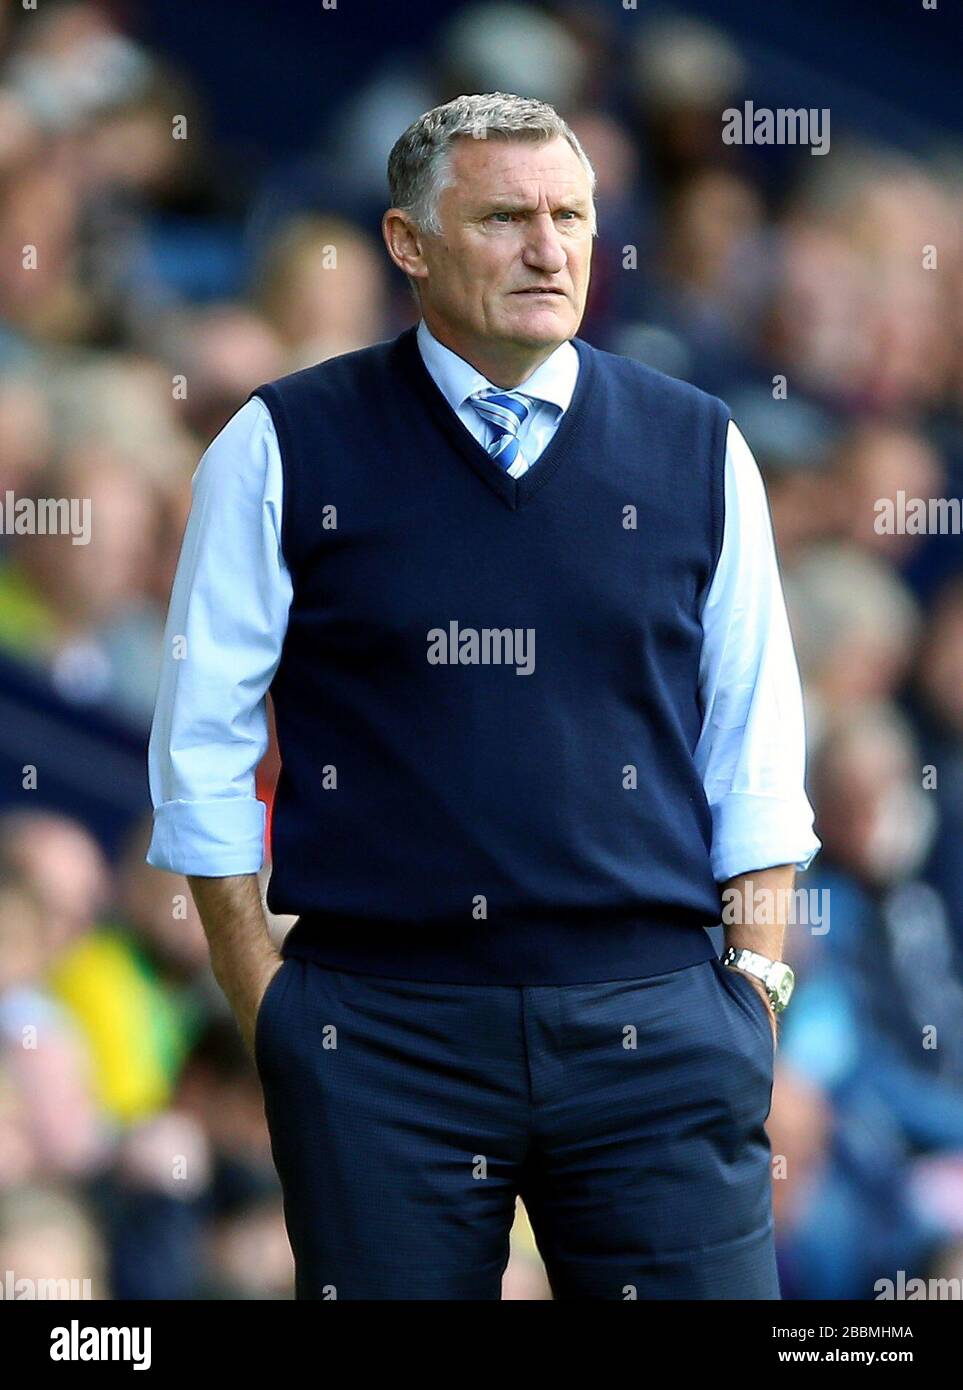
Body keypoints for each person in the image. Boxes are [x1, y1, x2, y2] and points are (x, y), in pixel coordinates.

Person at [147, 92, 819, 1300]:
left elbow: (757, 746)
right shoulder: (282, 444)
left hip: (658, 1028)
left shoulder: (698, 442)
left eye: (570, 215)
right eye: (506, 217)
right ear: (408, 243)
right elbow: (200, 746)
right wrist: (273, 1011)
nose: (550, 249)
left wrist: (754, 991)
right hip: (381, 1034)